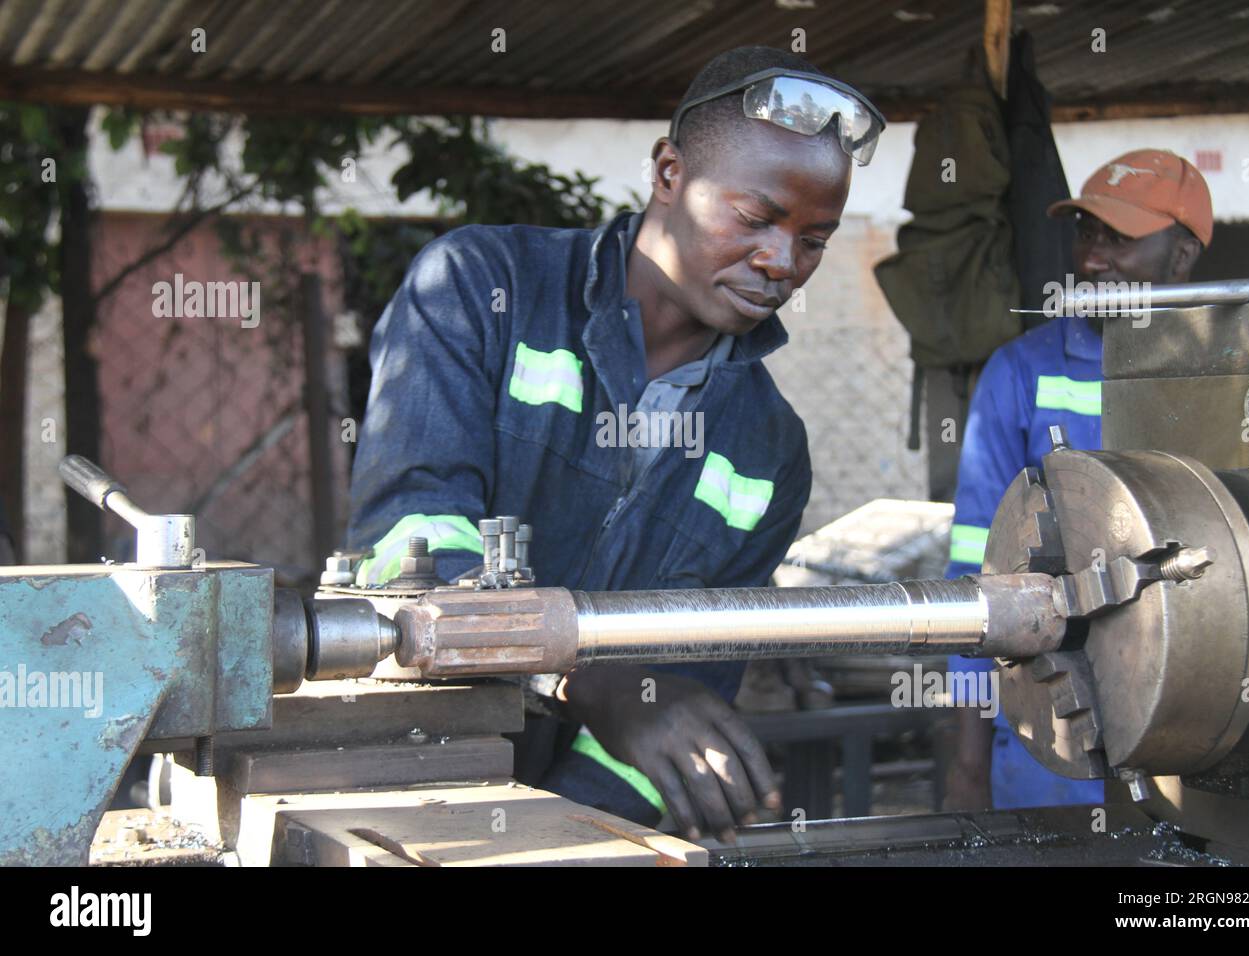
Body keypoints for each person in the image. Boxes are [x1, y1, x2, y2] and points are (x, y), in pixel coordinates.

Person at [346, 46, 885, 840]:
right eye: (757, 217)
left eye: (815, 240)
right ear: (670, 173)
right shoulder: (479, 289)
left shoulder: (770, 453)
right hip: (394, 771)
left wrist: (550, 842)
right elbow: (408, 559)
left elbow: (682, 697)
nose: (782, 263)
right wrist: (588, 679)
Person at [944, 149, 1212, 810]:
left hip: (1205, 724)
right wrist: (967, 767)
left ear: (1181, 255)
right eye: (1086, 234)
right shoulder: (1022, 373)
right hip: (1054, 733)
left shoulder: (1224, 374)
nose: (1092, 259)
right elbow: (977, 580)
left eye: (1119, 239)